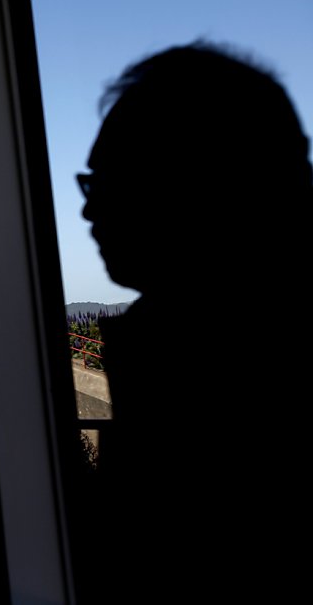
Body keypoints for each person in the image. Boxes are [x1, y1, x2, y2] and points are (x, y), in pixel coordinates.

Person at [71, 41, 311, 603]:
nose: (88, 208)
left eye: (108, 181)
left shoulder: (190, 355)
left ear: (202, 179)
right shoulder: (169, 340)